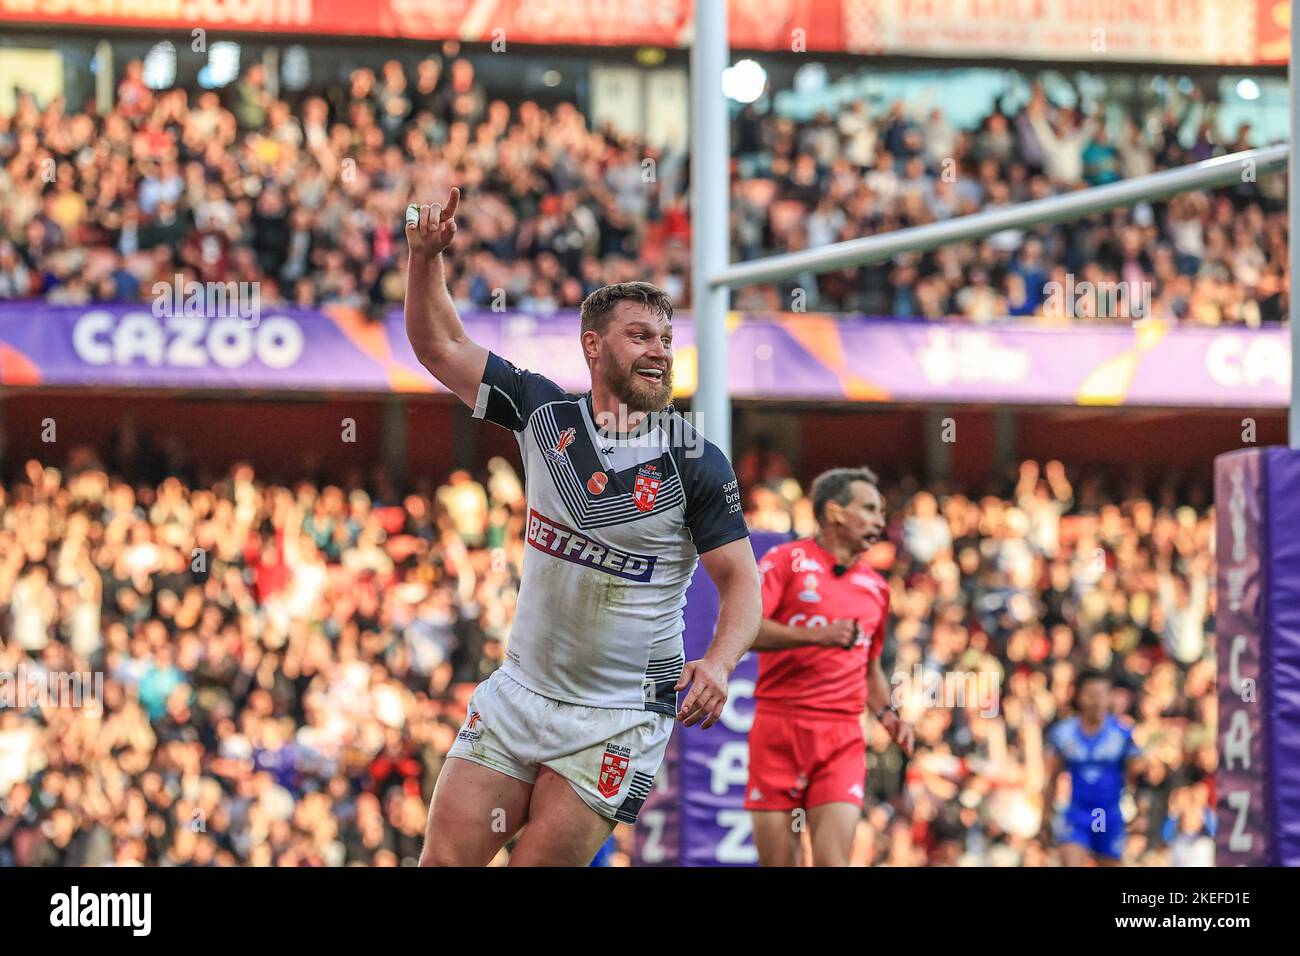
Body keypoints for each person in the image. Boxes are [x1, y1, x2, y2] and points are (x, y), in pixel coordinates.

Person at [404, 189, 761, 866]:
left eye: (665, 337)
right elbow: (439, 342)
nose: (658, 351)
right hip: (518, 693)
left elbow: (742, 578)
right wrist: (426, 258)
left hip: (619, 720)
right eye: (640, 336)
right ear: (593, 347)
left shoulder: (694, 461)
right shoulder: (544, 415)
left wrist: (719, 661)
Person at [745, 467, 914, 866]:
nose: (879, 519)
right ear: (835, 512)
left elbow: (868, 665)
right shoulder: (786, 561)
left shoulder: (877, 588)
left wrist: (888, 714)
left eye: (882, 511)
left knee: (833, 861)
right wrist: (814, 637)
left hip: (840, 734)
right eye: (870, 509)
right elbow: (746, 629)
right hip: (778, 726)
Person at [1039, 669, 1144, 866]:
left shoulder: (1122, 735)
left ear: (1109, 698)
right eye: (1090, 695)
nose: (1096, 701)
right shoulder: (1063, 733)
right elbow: (1051, 777)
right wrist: (1045, 819)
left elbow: (1138, 776)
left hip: (1107, 814)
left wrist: (1140, 812)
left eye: (1101, 695)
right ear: (1079, 696)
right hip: (1077, 813)